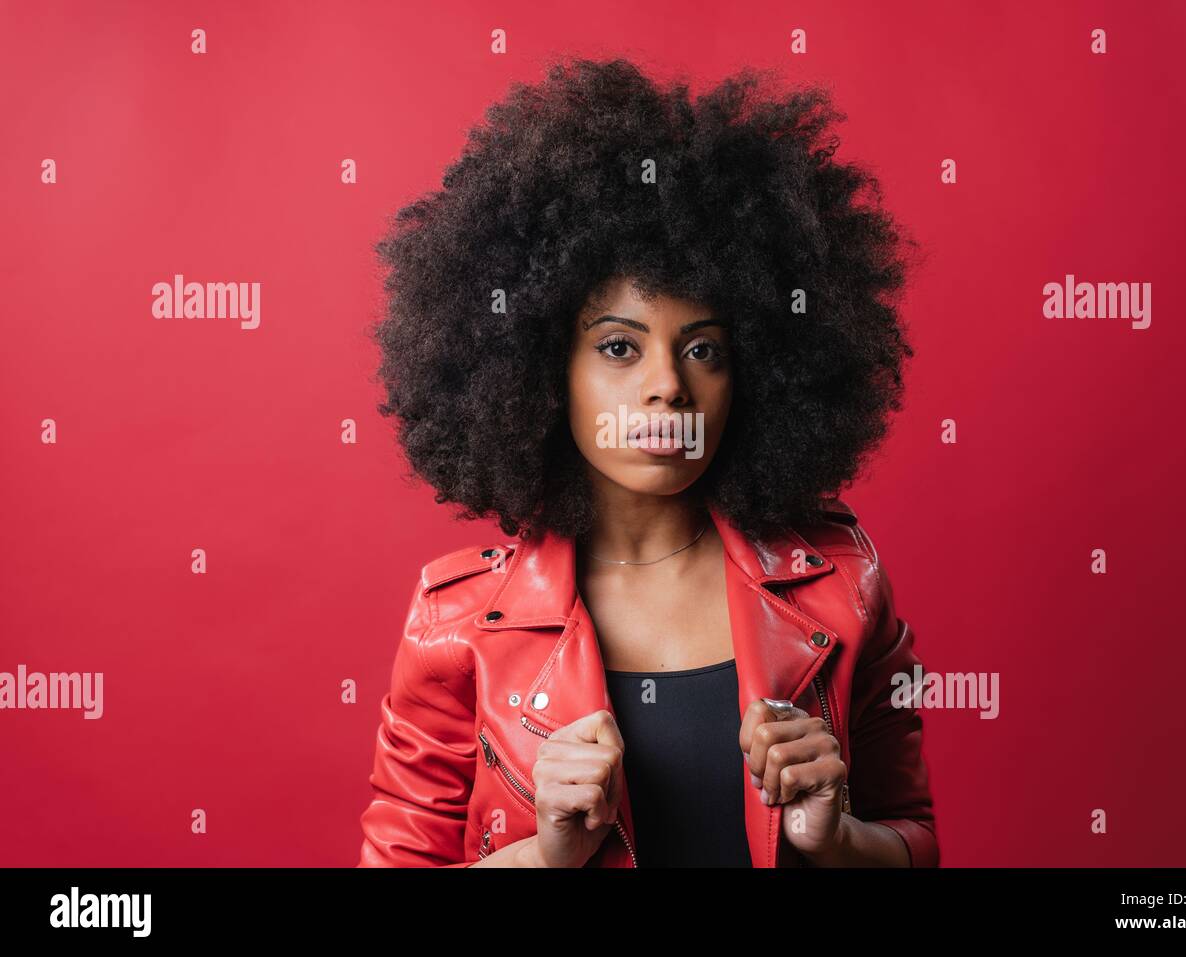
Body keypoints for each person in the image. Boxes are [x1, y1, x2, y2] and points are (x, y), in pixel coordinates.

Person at [357, 56, 937, 867]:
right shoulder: (455, 627)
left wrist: (836, 838)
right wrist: (544, 854)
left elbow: (914, 838)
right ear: (542, 369)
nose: (668, 387)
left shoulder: (843, 584)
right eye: (620, 347)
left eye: (703, 348)